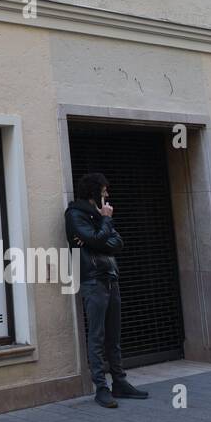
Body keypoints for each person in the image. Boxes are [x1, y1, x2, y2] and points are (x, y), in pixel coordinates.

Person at [65, 173, 149, 408]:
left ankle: (120, 383)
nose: (107, 196)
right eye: (104, 191)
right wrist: (105, 225)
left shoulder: (99, 217)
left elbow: (117, 243)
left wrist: (102, 234)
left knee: (113, 336)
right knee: (97, 336)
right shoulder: (75, 215)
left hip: (111, 278)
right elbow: (97, 240)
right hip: (92, 280)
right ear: (93, 192)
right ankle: (101, 387)